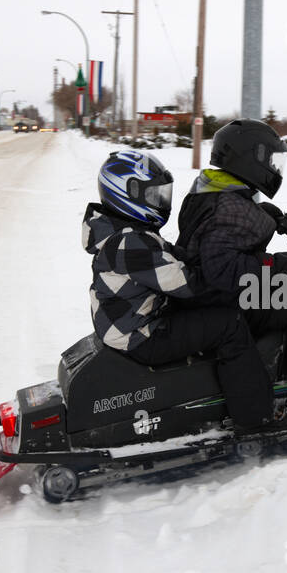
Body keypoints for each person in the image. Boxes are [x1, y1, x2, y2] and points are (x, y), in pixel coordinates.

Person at [83, 150, 272, 430]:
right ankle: (255, 419)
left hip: (133, 319)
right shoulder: (129, 244)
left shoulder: (123, 232)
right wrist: (249, 267)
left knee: (212, 313)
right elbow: (188, 284)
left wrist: (213, 256)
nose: (159, 202)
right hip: (141, 335)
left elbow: (173, 256)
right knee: (229, 324)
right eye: (152, 195)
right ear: (126, 193)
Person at [175, 118, 287, 419]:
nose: (275, 168)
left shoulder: (210, 187)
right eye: (271, 160)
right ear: (249, 157)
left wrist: (273, 216)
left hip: (205, 294)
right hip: (223, 298)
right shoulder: (231, 208)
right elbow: (224, 269)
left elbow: (223, 230)